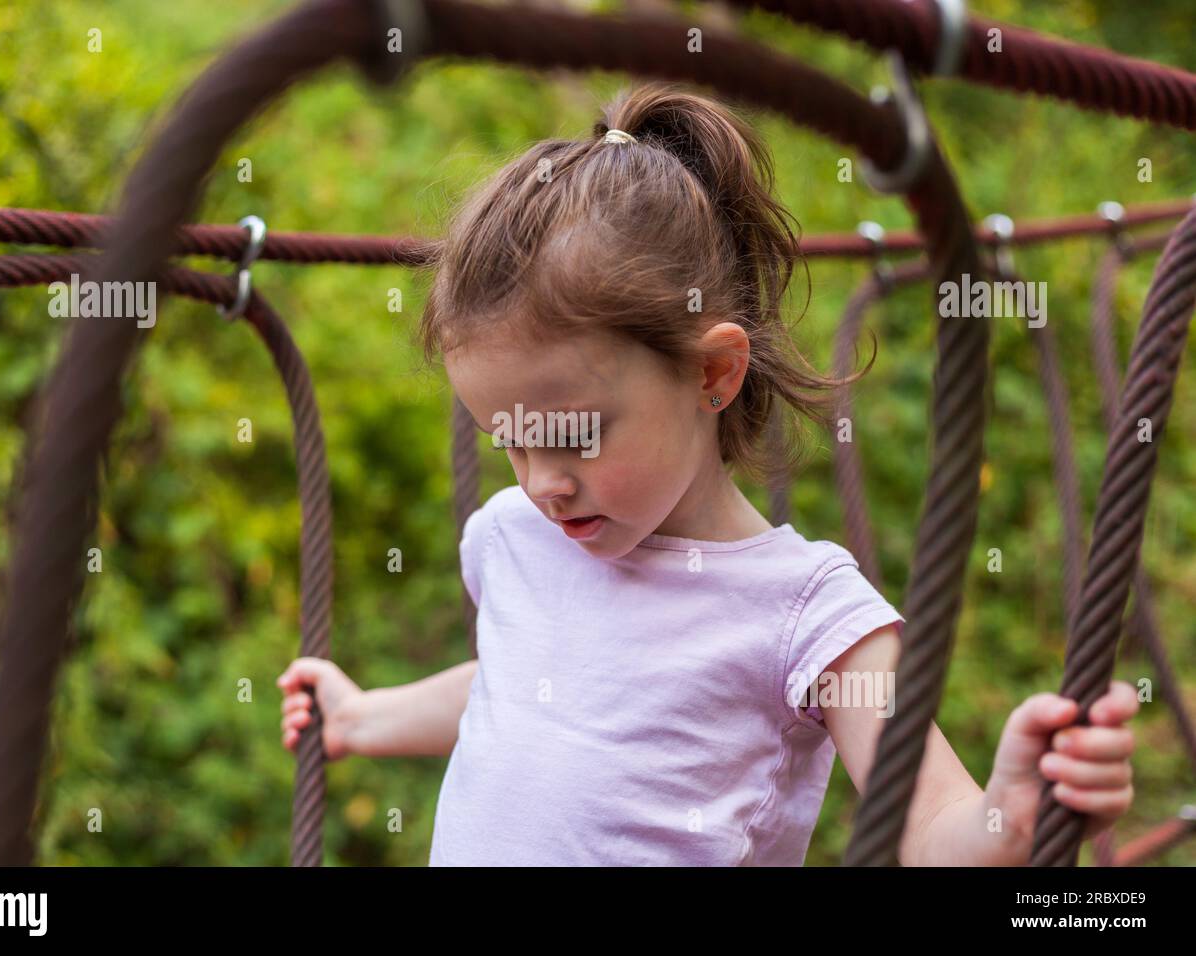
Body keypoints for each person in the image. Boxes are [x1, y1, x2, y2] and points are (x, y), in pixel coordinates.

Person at [277, 82, 1137, 865]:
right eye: (506, 437)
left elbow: (930, 825)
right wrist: (364, 717)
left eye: (574, 434)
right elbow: (527, 682)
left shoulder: (809, 615)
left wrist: (1012, 818)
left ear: (711, 374)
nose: (542, 482)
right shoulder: (516, 538)